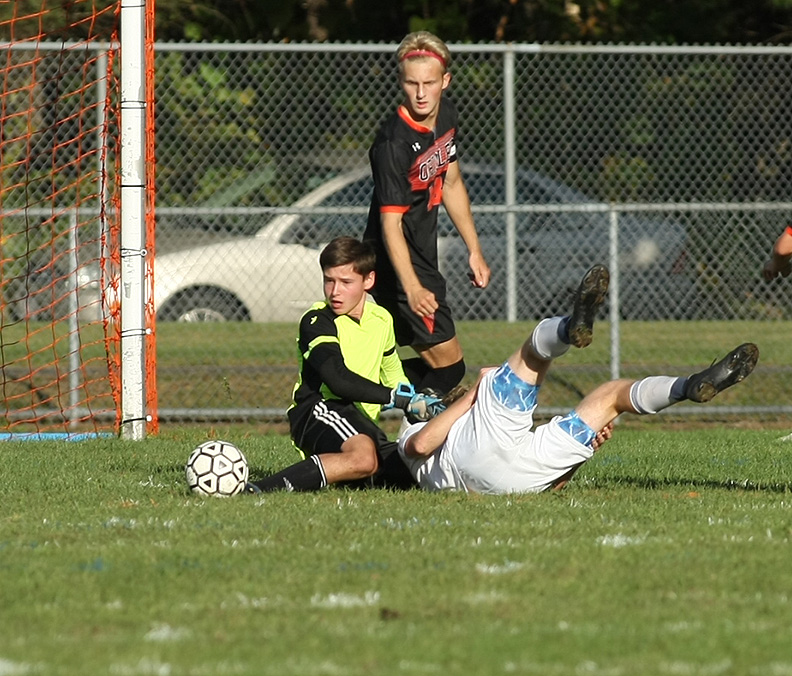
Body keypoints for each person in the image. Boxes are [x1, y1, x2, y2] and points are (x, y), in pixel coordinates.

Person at [397, 264, 760, 494]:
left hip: (516, 482)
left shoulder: (446, 434)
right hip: (478, 451)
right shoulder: (413, 426)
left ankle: (689, 386)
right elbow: (421, 444)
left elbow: (554, 486)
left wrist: (580, 454)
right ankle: (570, 328)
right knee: (533, 353)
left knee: (612, 396)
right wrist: (474, 394)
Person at [247, 237, 440, 493]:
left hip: (361, 424)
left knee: (416, 467)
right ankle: (257, 489)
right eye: (329, 280)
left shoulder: (381, 319)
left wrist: (419, 404)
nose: (335, 291)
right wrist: (398, 399)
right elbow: (338, 379)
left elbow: (393, 374)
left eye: (346, 282)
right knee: (364, 458)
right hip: (319, 409)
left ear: (368, 281)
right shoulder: (317, 321)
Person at [363, 30, 491, 397]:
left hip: (422, 257)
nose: (421, 93)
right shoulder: (394, 144)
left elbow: (451, 181)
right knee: (449, 368)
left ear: (445, 81)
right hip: (397, 263)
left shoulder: (446, 114)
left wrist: (474, 249)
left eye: (429, 83)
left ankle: (358, 384)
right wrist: (412, 287)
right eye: (412, 83)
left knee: (447, 368)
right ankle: (354, 390)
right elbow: (390, 224)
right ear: (400, 81)